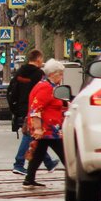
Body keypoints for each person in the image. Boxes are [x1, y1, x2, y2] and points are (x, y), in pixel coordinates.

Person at [7, 49, 58, 175]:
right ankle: (18, 164)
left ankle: (49, 163)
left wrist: (15, 109)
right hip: (33, 107)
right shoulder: (39, 74)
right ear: (39, 59)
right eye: (42, 59)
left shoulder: (19, 72)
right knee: (30, 135)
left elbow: (11, 91)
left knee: (36, 137)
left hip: (21, 108)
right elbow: (43, 90)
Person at [24, 59, 68, 188]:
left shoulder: (46, 85)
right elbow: (36, 108)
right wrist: (37, 128)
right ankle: (75, 176)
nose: (62, 76)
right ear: (52, 74)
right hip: (47, 129)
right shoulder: (46, 87)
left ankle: (29, 179)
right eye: (60, 74)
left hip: (47, 128)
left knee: (38, 154)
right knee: (64, 153)